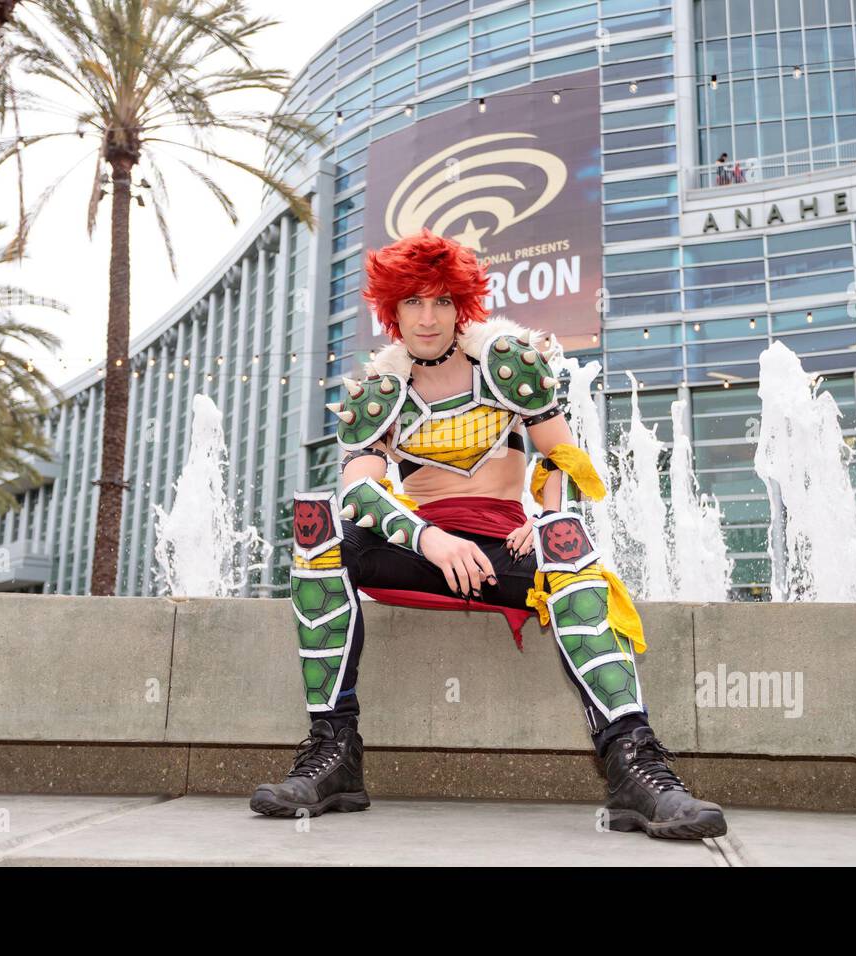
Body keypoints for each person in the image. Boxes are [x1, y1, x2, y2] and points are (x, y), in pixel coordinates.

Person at [251, 229, 728, 841]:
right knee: (317, 531)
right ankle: (333, 753)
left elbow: (561, 456)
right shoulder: (379, 391)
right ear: (391, 310)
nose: (428, 318)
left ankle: (633, 766)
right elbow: (358, 490)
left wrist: (543, 517)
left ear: (462, 305)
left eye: (441, 301)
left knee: (569, 544)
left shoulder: (507, 365)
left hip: (505, 549)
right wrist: (430, 540)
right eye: (413, 303)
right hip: (420, 547)